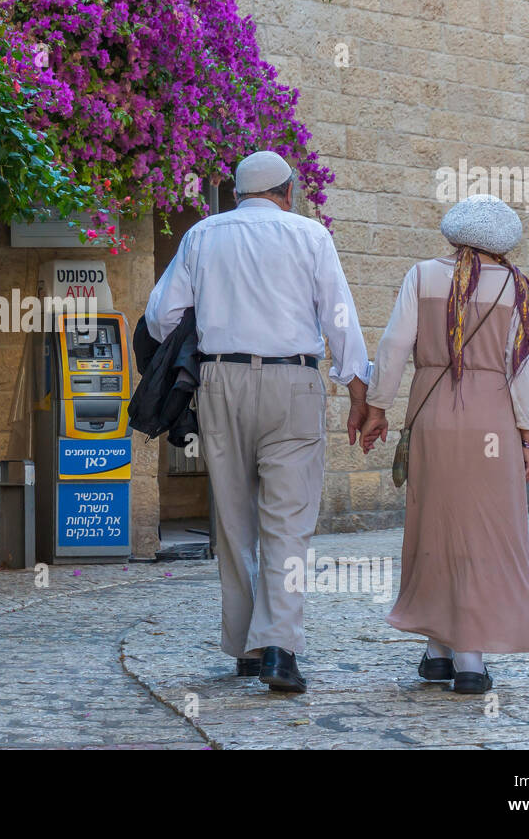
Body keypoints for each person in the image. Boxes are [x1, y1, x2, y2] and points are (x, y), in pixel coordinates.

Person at [144, 150, 371, 693]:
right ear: (288, 191)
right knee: (288, 521)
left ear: (238, 193)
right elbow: (339, 317)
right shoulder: (310, 236)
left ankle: (246, 646)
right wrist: (358, 391)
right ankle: (280, 651)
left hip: (222, 382)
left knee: (233, 519)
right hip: (293, 382)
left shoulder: (202, 235)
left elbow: (161, 316)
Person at [358, 194, 529, 694]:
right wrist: (527, 433)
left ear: (453, 232)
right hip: (493, 420)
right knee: (486, 532)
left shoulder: (422, 275)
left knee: (433, 527)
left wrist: (378, 407)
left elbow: (394, 345)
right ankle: (469, 660)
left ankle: (438, 651)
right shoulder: (518, 287)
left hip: (434, 412)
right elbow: (523, 367)